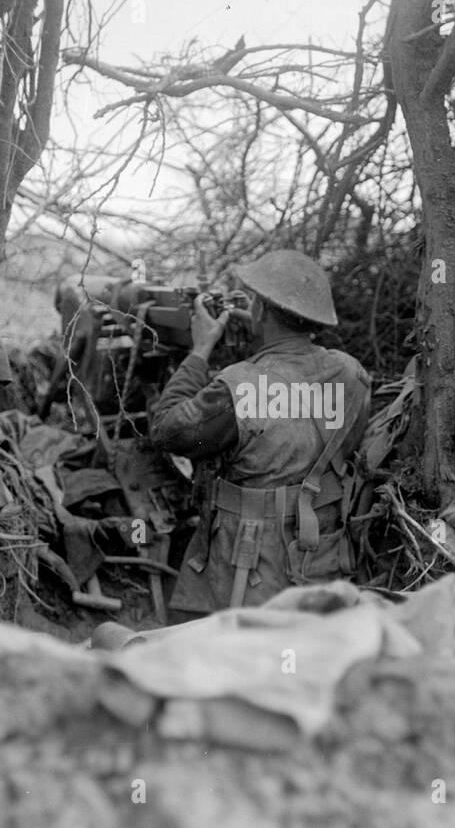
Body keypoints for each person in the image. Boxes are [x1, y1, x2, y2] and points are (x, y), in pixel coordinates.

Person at [150, 249, 371, 619]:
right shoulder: (352, 373)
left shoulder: (237, 388)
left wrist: (200, 349)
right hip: (321, 555)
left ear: (262, 311)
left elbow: (165, 431)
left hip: (252, 566)